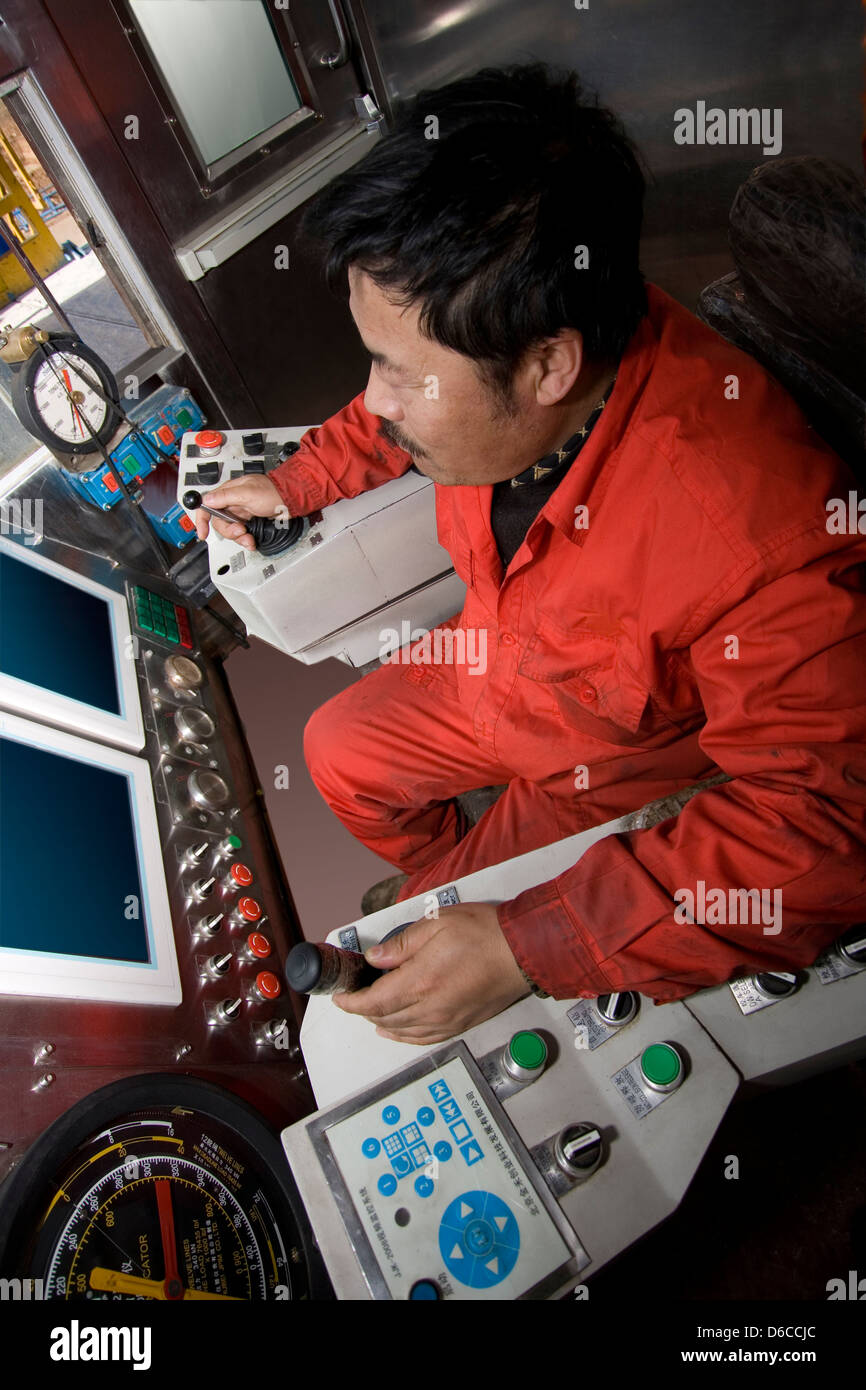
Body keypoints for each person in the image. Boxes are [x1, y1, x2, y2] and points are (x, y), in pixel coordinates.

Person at [196, 65, 866, 1045]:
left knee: (439, 924)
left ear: (547, 365)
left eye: (403, 375)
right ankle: (460, 860)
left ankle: (464, 878)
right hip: (498, 662)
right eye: (373, 360)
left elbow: (827, 835)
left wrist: (524, 940)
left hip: (603, 750)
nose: (377, 401)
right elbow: (395, 407)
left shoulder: (762, 540)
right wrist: (296, 481)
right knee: (333, 756)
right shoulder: (496, 356)